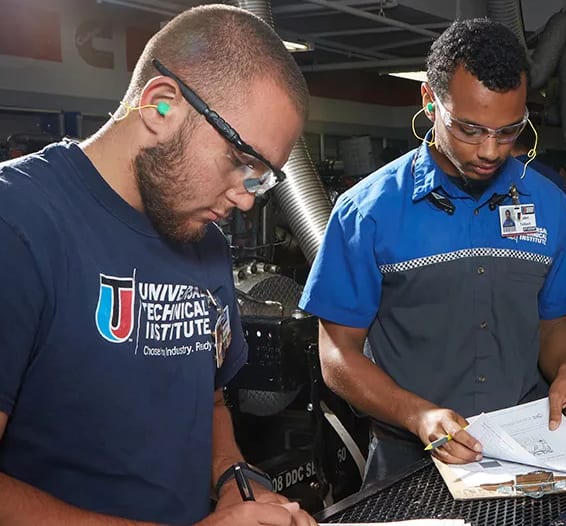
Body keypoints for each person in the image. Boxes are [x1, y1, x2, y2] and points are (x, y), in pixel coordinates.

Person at [0, 5, 316, 525]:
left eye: (262, 179)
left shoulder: (205, 242)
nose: (246, 199)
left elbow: (209, 403)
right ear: (161, 106)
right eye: (242, 161)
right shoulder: (18, 224)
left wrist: (233, 479)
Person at [299, 18, 566, 485]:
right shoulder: (367, 212)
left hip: (527, 451)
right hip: (408, 461)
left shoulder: (548, 203)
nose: (491, 151)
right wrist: (416, 414)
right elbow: (337, 356)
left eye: (509, 131)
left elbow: (555, 324)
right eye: (470, 129)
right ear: (429, 101)